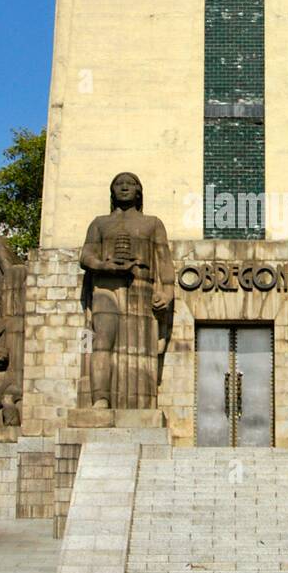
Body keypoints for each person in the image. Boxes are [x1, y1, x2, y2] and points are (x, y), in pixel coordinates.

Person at [79, 173, 174, 408]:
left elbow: (164, 260)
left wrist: (168, 292)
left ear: (138, 191)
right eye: (118, 184)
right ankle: (100, 398)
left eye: (129, 184)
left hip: (141, 286)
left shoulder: (152, 223)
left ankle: (140, 404)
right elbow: (86, 255)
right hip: (104, 286)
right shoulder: (99, 223)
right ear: (112, 191)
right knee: (101, 341)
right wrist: (103, 265)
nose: (124, 188)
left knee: (140, 346)